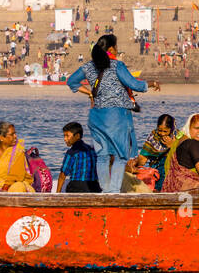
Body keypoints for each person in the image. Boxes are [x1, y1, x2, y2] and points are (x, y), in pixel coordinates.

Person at [66, 34, 158, 193]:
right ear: (111, 49)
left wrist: (89, 94)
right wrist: (151, 83)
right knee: (120, 156)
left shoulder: (89, 66)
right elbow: (134, 84)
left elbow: (71, 81)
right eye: (116, 47)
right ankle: (114, 191)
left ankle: (106, 191)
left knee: (102, 156)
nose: (117, 49)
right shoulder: (117, 66)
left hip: (96, 117)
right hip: (116, 118)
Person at [57, 121, 102, 192]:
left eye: (67, 136)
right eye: (64, 136)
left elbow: (63, 175)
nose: (65, 139)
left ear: (77, 136)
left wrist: (58, 192)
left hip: (77, 187)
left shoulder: (71, 153)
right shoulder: (92, 150)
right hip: (94, 187)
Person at [139, 113, 177, 191]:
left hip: (173, 171)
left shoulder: (178, 137)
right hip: (157, 171)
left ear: (171, 129)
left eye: (165, 131)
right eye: (160, 130)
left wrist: (172, 146)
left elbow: (184, 155)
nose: (162, 134)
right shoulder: (153, 137)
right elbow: (143, 158)